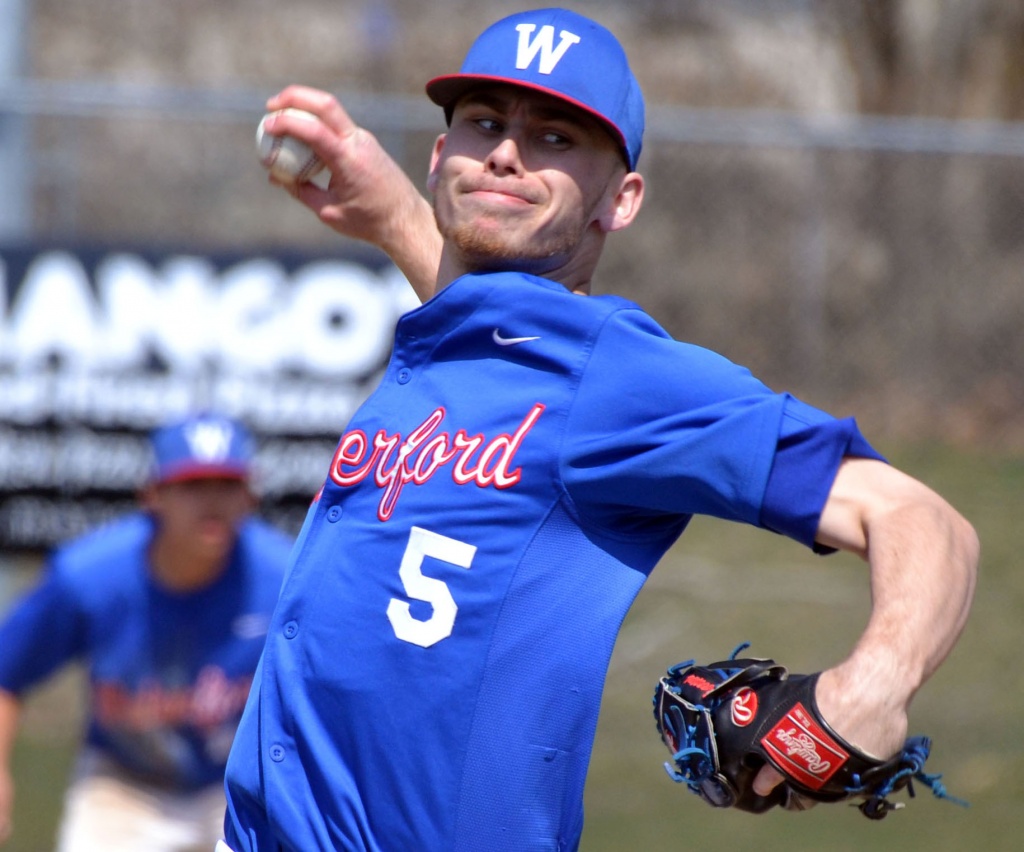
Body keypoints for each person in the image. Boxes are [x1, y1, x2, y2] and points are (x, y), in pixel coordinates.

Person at [225, 8, 979, 851]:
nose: (508, 152)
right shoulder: (456, 336)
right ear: (440, 159)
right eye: (484, 124)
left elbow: (925, 522)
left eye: (555, 138)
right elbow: (490, 317)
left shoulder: (619, 379)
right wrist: (392, 209)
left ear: (619, 201)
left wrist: (876, 681)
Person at [0, 413, 292, 852]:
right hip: (124, 784)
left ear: (250, 496)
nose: (212, 502)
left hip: (237, 786)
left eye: (227, 485)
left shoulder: (285, 580)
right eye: (193, 486)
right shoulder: (91, 576)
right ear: (152, 495)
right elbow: (6, 672)